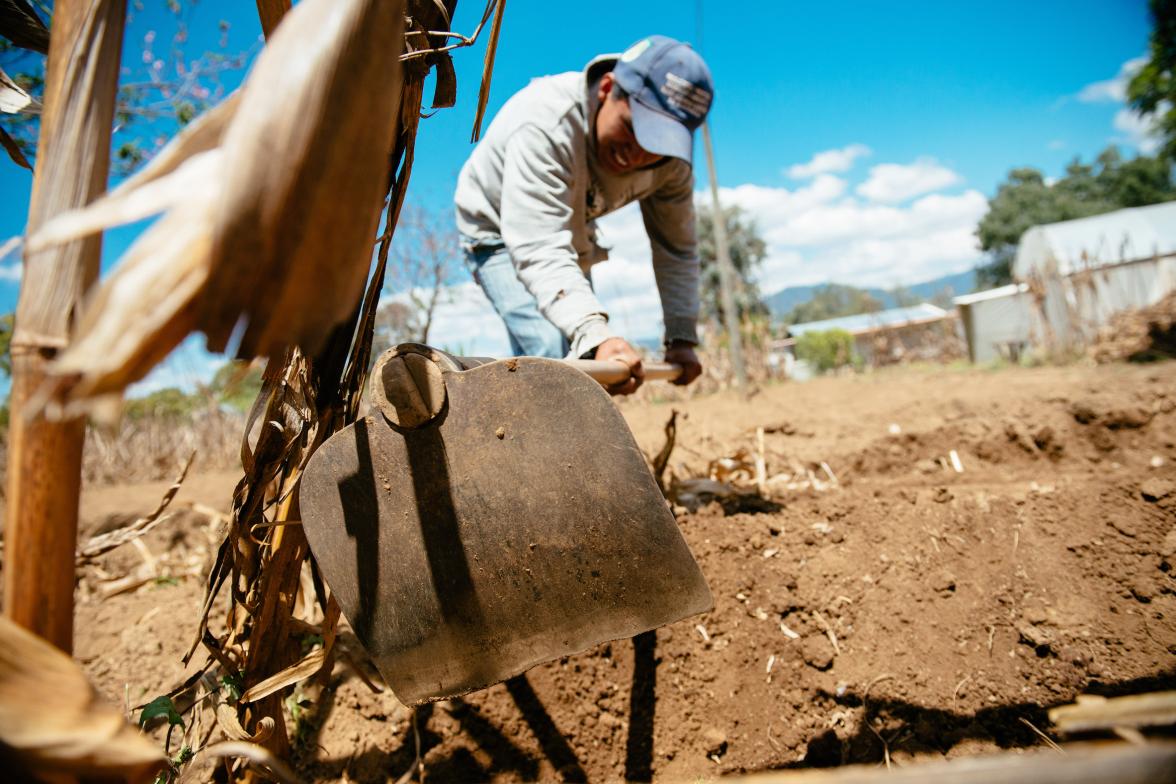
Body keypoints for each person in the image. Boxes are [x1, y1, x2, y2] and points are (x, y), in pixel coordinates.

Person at [454, 35, 714, 395]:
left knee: (587, 363)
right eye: (633, 129)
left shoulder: (671, 166)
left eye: (657, 143)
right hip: (495, 229)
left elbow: (677, 249)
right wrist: (594, 335)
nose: (638, 154)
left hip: (568, 233)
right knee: (550, 352)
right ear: (607, 89)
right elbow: (539, 245)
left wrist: (681, 336)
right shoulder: (546, 123)